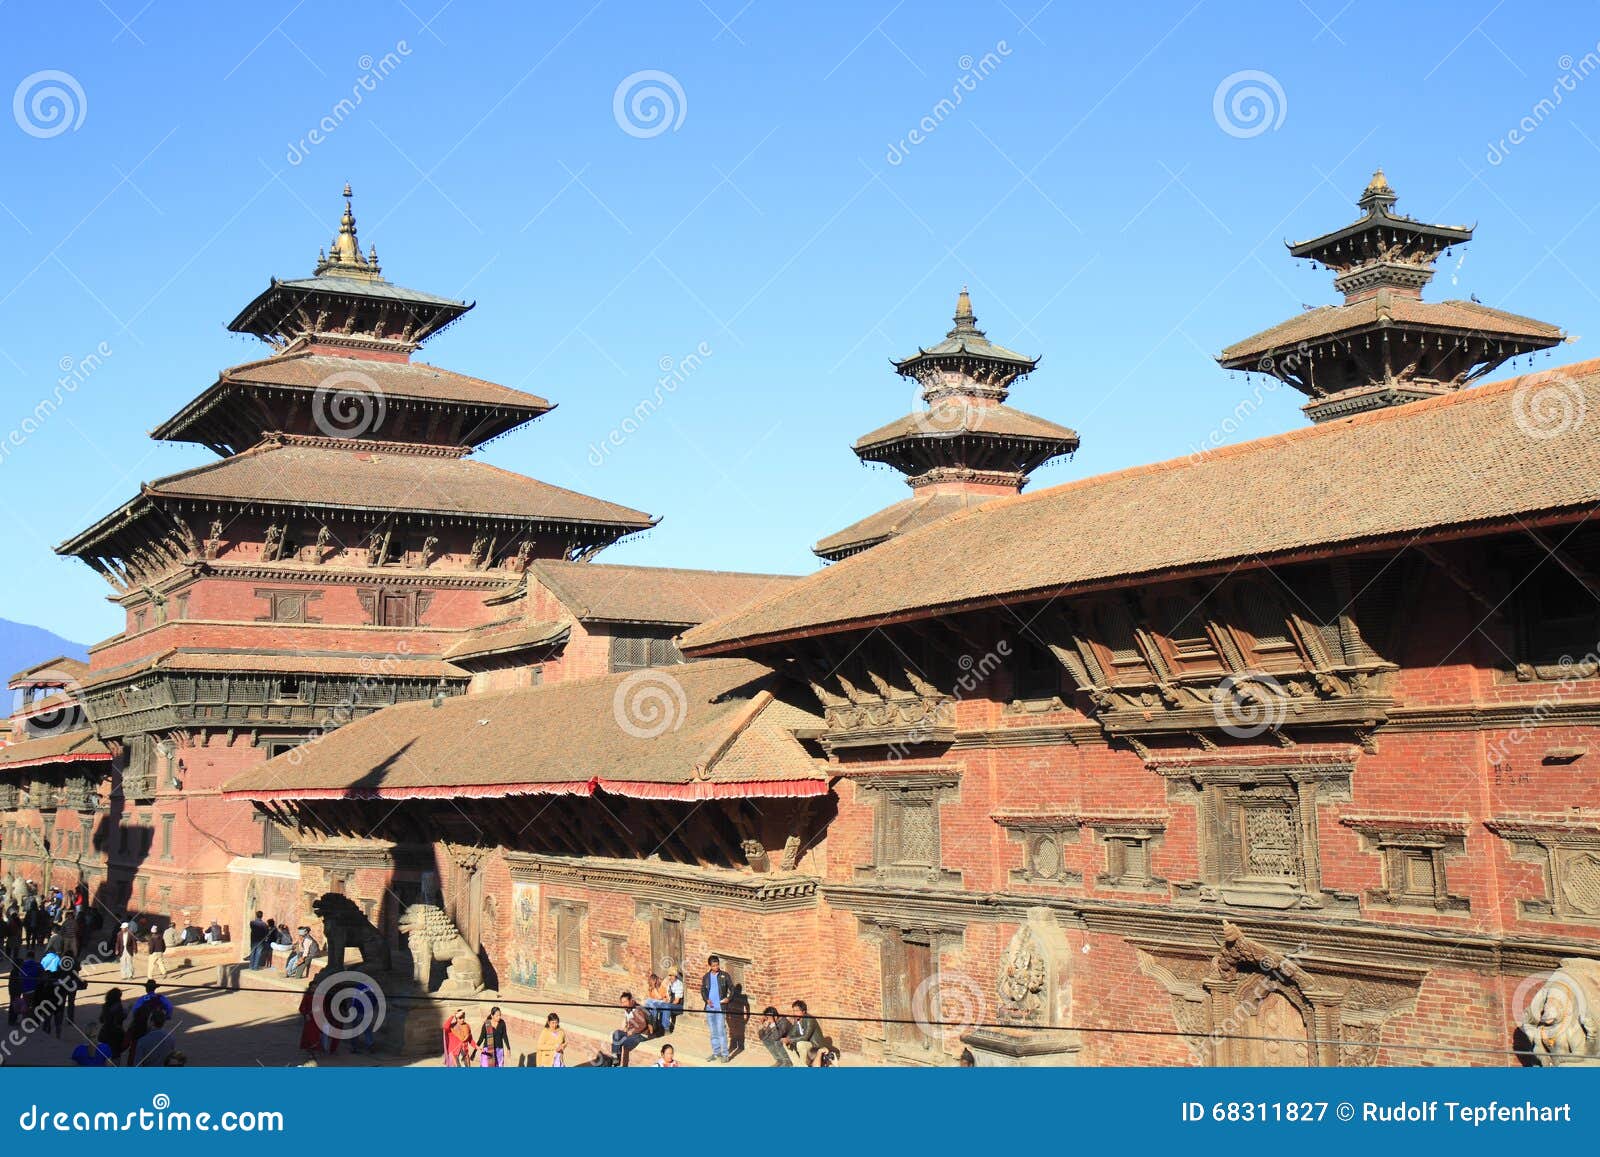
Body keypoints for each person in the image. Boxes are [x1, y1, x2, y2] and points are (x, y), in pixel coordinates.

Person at [700, 954, 731, 1062]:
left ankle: (725, 1054)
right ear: (710, 966)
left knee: (721, 1031)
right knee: (713, 1032)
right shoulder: (706, 977)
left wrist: (728, 998)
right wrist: (706, 999)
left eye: (717, 965)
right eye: (713, 966)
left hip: (720, 1007)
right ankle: (716, 1053)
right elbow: (703, 990)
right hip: (710, 1008)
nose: (716, 967)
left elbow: (732, 989)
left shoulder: (725, 975)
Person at [609, 992, 649, 1067]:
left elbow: (643, 1025)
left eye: (625, 1002)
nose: (623, 1004)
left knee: (618, 1041)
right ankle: (615, 1060)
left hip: (641, 1034)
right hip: (631, 1032)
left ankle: (616, 1064)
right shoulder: (627, 1009)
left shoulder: (637, 1009)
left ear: (630, 1001)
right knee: (616, 1033)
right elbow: (627, 1022)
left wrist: (632, 1031)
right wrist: (624, 1029)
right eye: (622, 1002)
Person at [784, 1000, 825, 1067]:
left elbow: (805, 1037)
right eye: (794, 1011)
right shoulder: (797, 1019)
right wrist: (787, 1039)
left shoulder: (809, 1019)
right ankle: (797, 1065)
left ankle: (802, 1065)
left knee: (800, 1044)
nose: (795, 1013)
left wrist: (790, 1040)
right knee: (785, 1043)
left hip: (815, 1046)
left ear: (803, 1011)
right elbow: (792, 1032)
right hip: (806, 1043)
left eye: (797, 1011)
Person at [97, 988, 126, 1061]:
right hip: (115, 1034)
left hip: (104, 1033)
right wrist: (127, 1012)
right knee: (115, 1057)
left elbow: (101, 1019)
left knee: (104, 1056)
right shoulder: (118, 1006)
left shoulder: (105, 1006)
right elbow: (120, 1018)